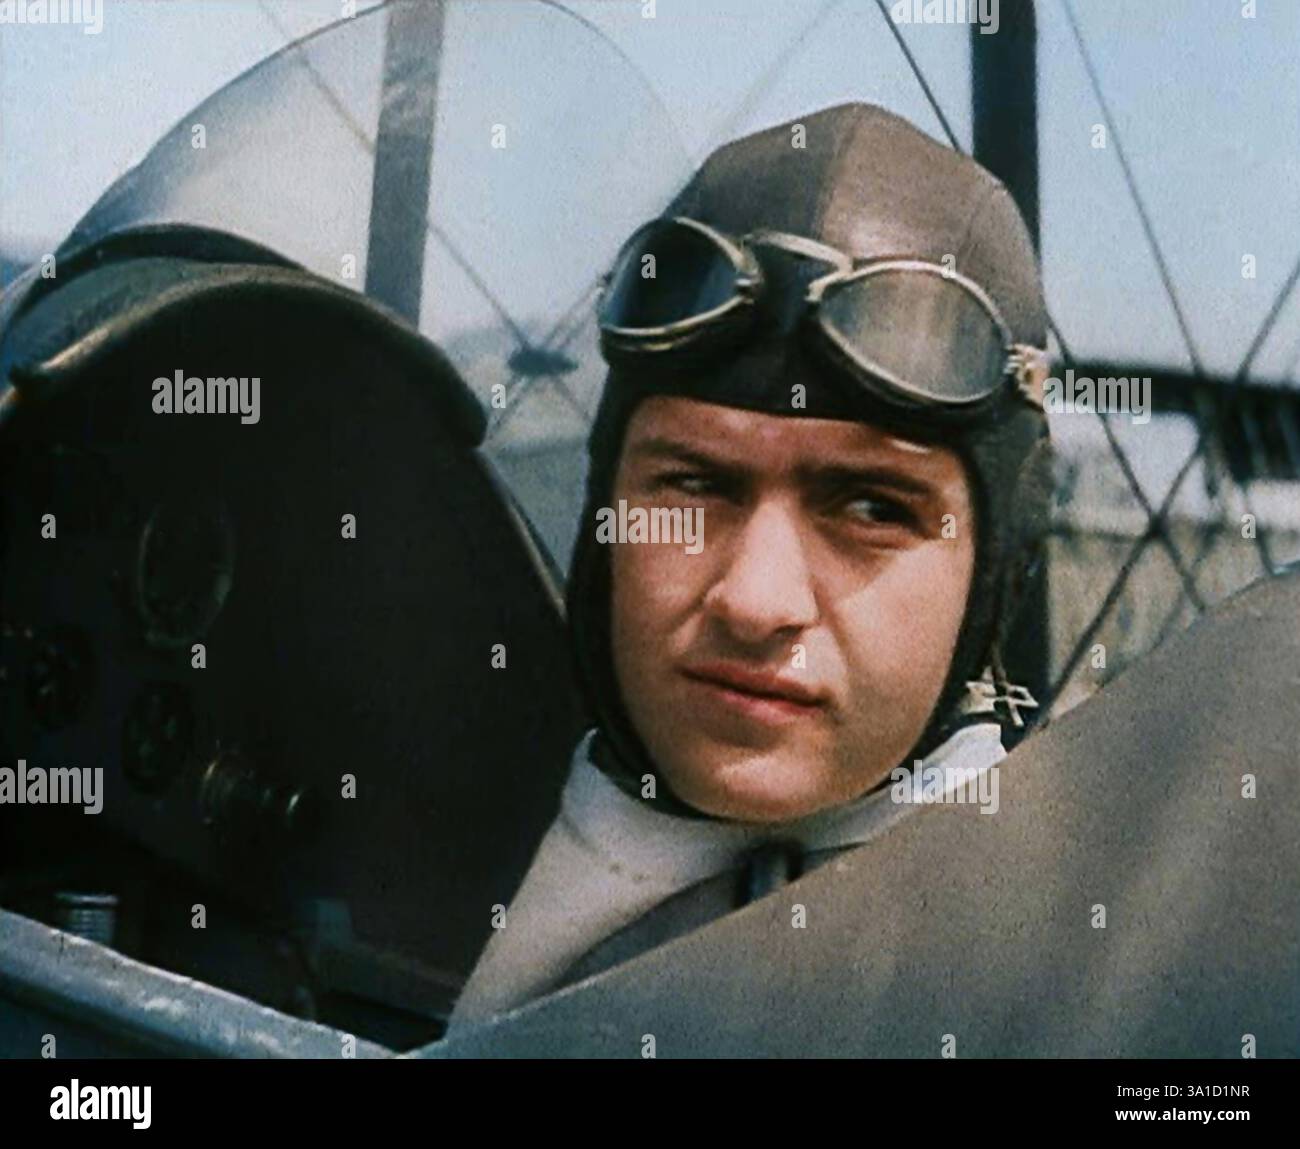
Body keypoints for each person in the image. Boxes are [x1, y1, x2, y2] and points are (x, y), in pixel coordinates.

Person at [446, 101, 1054, 1031]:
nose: (755, 600)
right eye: (692, 485)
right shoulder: (406, 853)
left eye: (872, 508)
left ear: (993, 569)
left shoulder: (1101, 991)